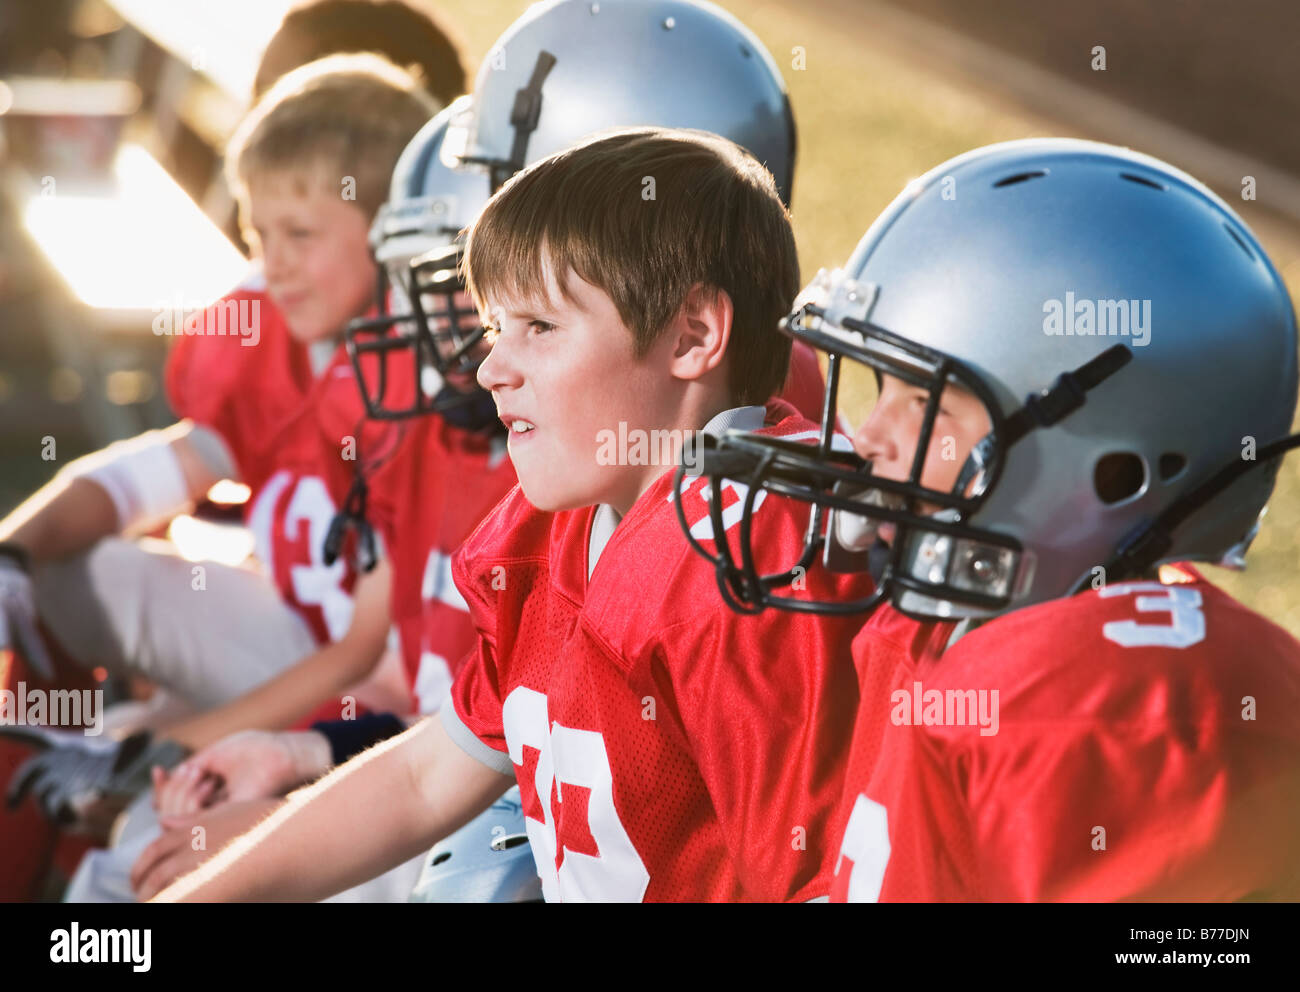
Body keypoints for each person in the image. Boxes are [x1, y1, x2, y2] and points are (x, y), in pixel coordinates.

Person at [155, 126, 873, 903]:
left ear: (693, 335)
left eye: (539, 328)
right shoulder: (560, 523)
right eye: (498, 329)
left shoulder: (745, 560)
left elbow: (808, 885)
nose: (492, 367)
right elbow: (424, 780)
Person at [681, 138, 1300, 901]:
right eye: (880, 389)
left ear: (1112, 466)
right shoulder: (936, 630)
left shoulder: (1116, 704)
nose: (866, 438)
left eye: (921, 401)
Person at [0, 54, 437, 857]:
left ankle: (108, 765)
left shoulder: (418, 384)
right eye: (256, 232)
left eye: (300, 234)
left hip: (369, 700)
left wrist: (171, 746)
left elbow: (368, 660)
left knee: (149, 837)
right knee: (57, 569)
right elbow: (155, 473)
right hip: (296, 636)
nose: (270, 264)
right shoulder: (269, 332)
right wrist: (11, 555)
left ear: (391, 232)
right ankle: (88, 740)